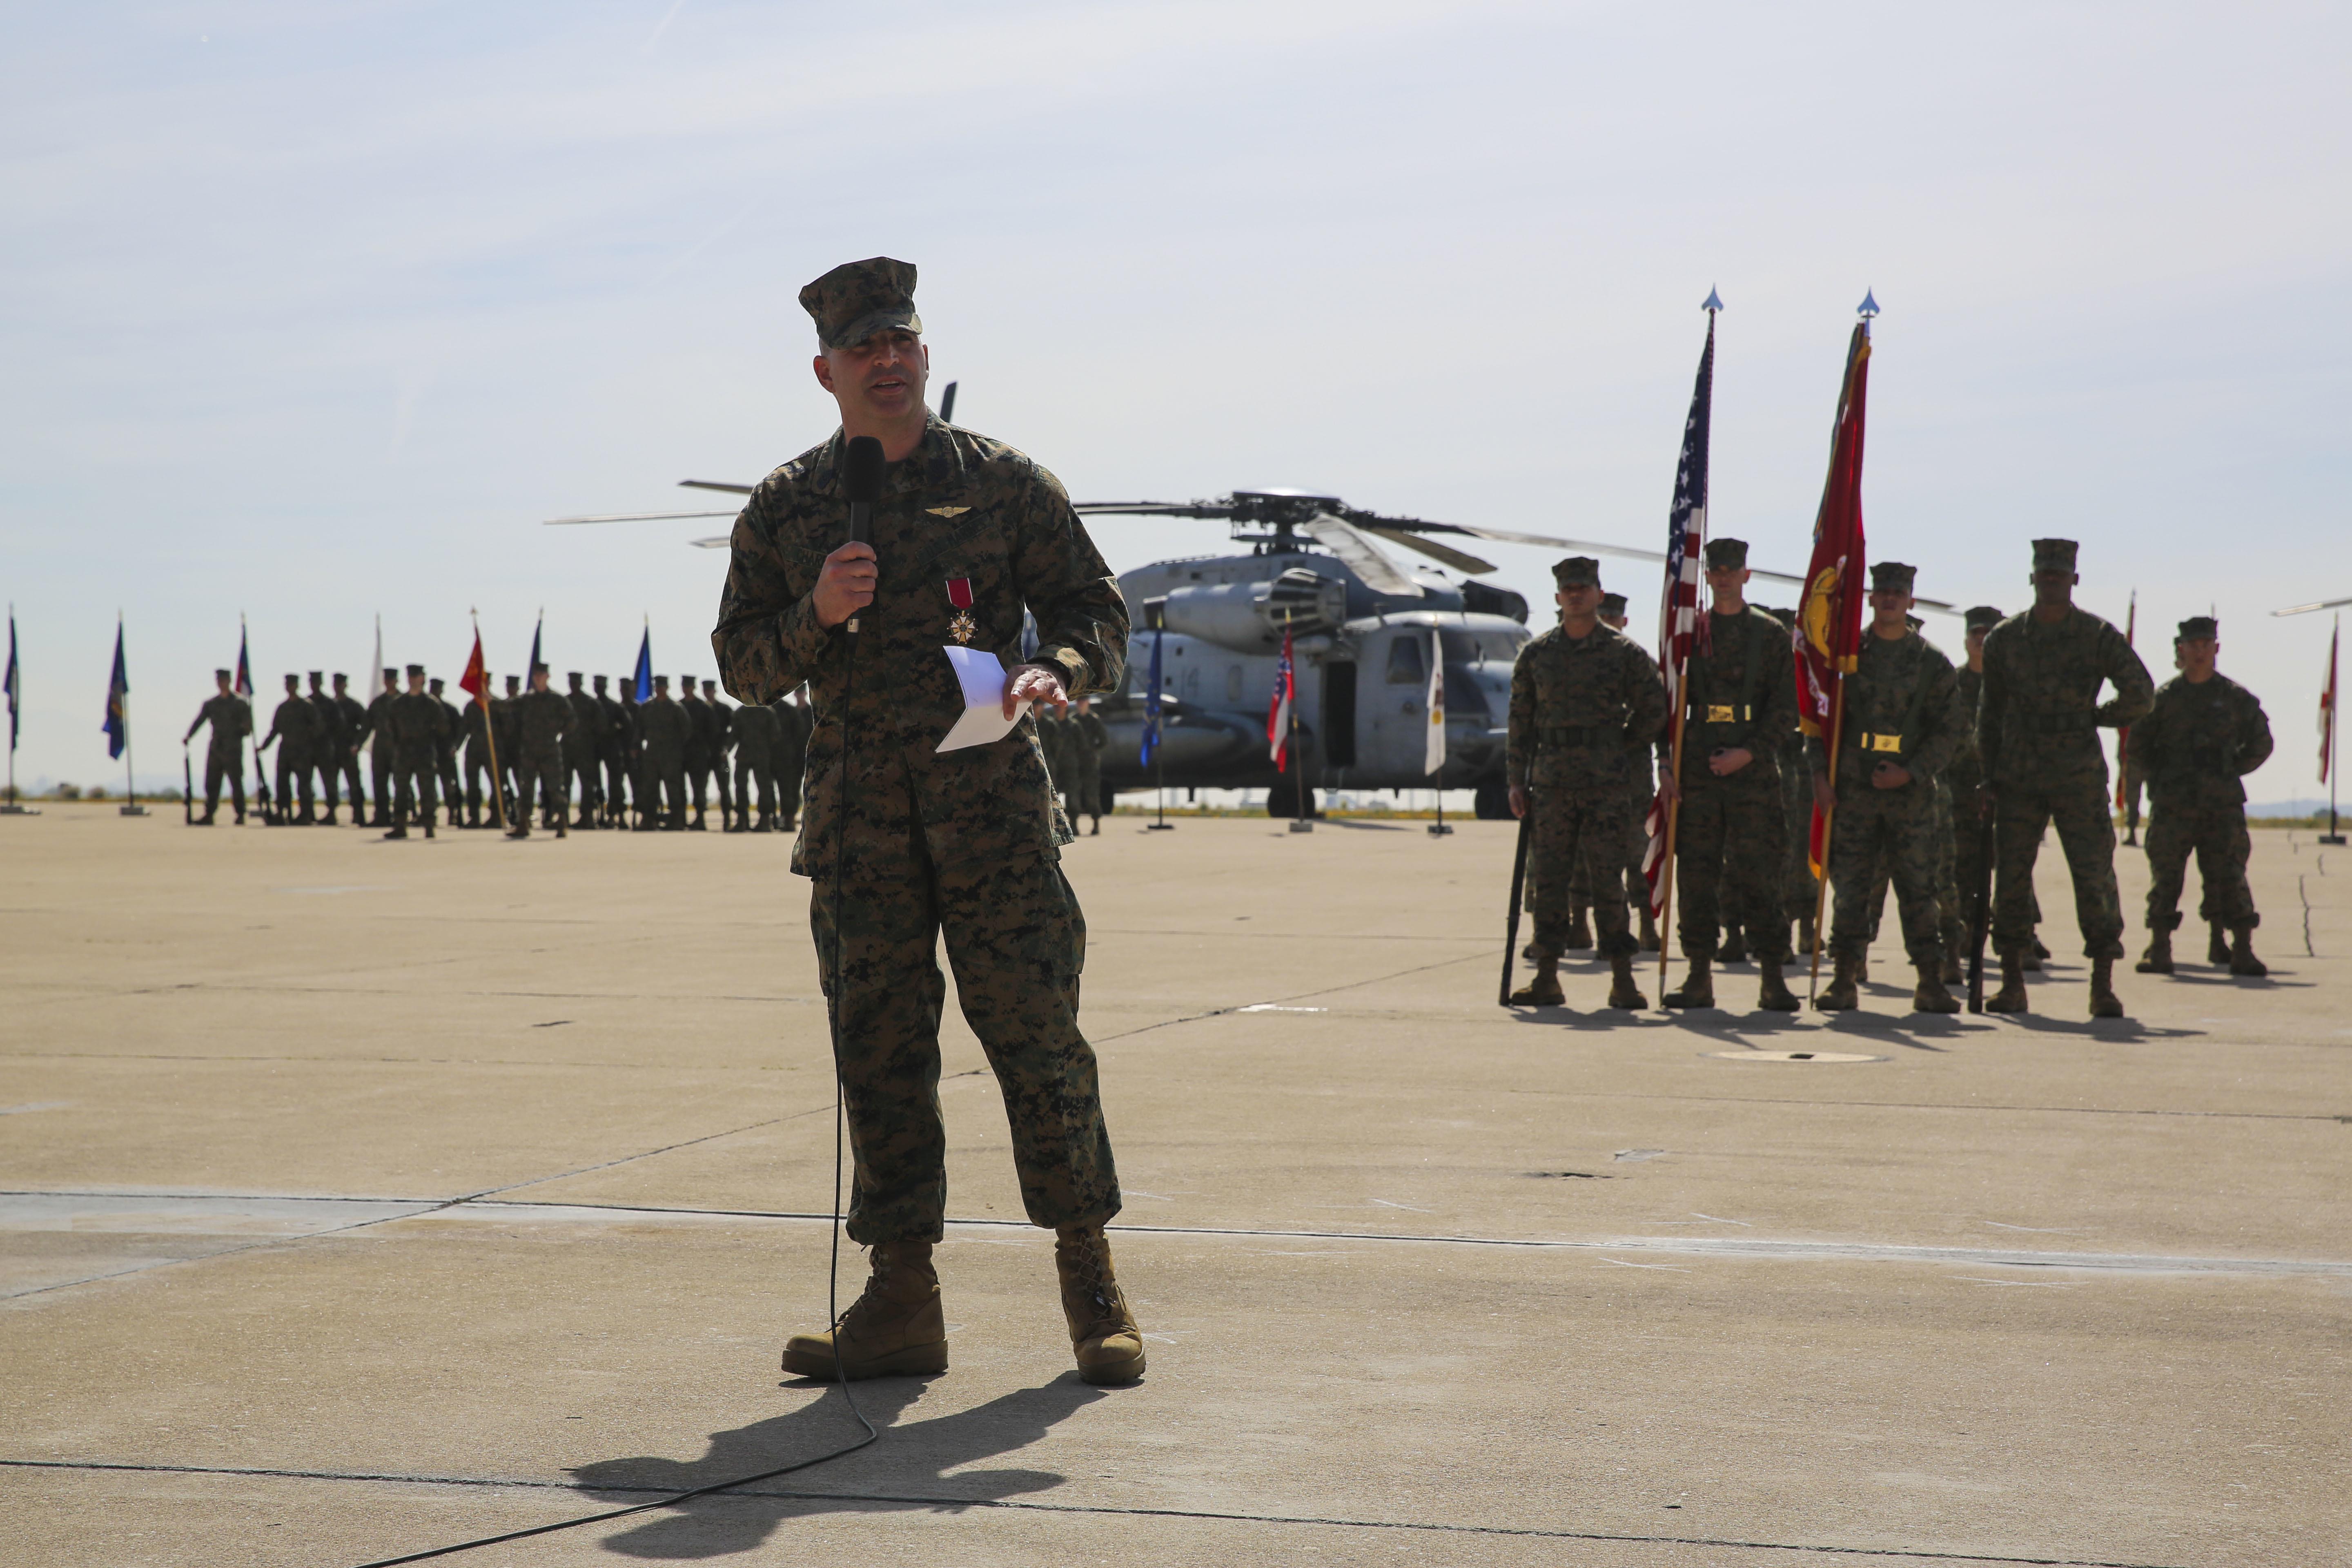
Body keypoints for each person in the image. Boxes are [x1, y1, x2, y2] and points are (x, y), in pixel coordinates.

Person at [713, 256, 1139, 1387]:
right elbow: (743, 667)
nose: (886, 361)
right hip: (860, 831)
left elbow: (1096, 611)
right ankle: (903, 1299)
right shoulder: (788, 505)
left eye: (901, 340)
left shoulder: (1004, 483)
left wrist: (1056, 668)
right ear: (826, 372)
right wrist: (815, 612)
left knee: (1040, 1044)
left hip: (993, 819)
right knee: (880, 1059)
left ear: (925, 352)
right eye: (862, 348)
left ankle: (1091, 1281)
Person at [1977, 539, 2154, 1017]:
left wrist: (2098, 716)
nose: (2052, 579)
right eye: (2045, 573)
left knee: (2094, 874)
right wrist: (1986, 777)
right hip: (2018, 774)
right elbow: (1988, 715)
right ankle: (2012, 981)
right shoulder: (2005, 639)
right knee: (2011, 879)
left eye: (2060, 573)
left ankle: (2102, 984)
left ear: (2074, 580)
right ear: (2032, 578)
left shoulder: (2097, 635)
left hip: (2077, 774)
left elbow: (2141, 694)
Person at [1505, 557, 1668, 1009]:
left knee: (1608, 882)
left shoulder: (1623, 653)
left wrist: (1621, 746)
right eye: (1569, 589)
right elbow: (1519, 721)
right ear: (1558, 598)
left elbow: (1654, 708)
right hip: (1551, 785)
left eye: (1584, 587)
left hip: (1605, 786)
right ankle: (1547, 977)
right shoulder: (1537, 654)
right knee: (1551, 881)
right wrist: (1515, 780)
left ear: (1599, 594)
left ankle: (1623, 980)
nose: (1576, 594)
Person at [1811, 564, 1966, 1013]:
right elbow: (1819, 721)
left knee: (1918, 889)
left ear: (1911, 601)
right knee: (1852, 890)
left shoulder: (1932, 663)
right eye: (1883, 592)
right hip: (1854, 792)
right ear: (1871, 599)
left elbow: (1952, 732)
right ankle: (1843, 979)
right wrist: (1819, 776)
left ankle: (1930, 982)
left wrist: (1912, 772)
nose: (1891, 599)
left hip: (1910, 797)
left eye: (1899, 593)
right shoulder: (1845, 659)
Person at [1658, 538, 1801, 1011]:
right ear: (1707, 576)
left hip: (1753, 774)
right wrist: (1666, 763)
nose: (1723, 577)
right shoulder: (1688, 632)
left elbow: (1786, 709)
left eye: (1731, 570)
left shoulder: (1770, 635)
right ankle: (1699, 975)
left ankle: (1773, 978)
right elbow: (1668, 705)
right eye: (1716, 570)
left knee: (1761, 875)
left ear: (1746, 575)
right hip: (1697, 772)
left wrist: (1750, 753)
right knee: (1697, 876)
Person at [2131, 617, 2273, 977]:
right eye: (2193, 645)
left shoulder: (2235, 698)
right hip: (2173, 806)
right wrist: (2160, 779)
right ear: (2181, 649)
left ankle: (2243, 949)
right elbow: (2138, 746)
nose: (2199, 652)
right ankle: (2160, 947)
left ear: (2216, 648)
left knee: (2231, 875)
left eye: (2206, 645)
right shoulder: (2163, 700)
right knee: (2166, 877)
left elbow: (2261, 742)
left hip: (2221, 806)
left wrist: (2230, 770)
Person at [1598, 590, 1661, 951]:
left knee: (1639, 853)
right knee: (1591, 857)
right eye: (1603, 617)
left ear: (1624, 622)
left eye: (1613, 618)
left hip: (1633, 775)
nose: (1608, 623)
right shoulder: (1580, 659)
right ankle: (1588, 924)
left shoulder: (1640, 661)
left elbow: (1657, 712)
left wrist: (1625, 740)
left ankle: (1648, 926)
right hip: (1590, 774)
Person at [383, 664, 447, 840]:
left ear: (423, 679)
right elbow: (391, 727)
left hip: (424, 752)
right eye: (411, 677)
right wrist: (398, 745)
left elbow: (443, 728)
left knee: (427, 790)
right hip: (404, 752)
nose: (413, 680)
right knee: (401, 791)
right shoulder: (398, 704)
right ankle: (400, 826)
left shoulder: (431, 704)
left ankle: (429, 826)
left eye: (416, 677)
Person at [508, 663, 571, 840]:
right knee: (526, 788)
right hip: (529, 751)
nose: (538, 678)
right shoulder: (527, 699)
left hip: (550, 750)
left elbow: (572, 721)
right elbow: (508, 705)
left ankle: (562, 822)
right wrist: (490, 701)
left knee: (555, 788)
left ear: (547, 677)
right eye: (536, 676)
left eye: (541, 675)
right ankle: (523, 824)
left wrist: (558, 733)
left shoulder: (557, 700)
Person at [183, 669, 252, 824]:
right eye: (219, 680)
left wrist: (243, 729)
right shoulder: (211, 704)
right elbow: (200, 720)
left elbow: (248, 727)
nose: (221, 683)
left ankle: (241, 814)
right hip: (216, 749)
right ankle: (209, 814)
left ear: (229, 681)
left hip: (233, 749)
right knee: (212, 783)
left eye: (223, 680)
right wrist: (189, 736)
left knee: (236, 783)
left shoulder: (240, 703)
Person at [259, 673, 321, 825]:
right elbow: (275, 730)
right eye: (287, 684)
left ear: (297, 686)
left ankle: (305, 815)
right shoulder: (283, 708)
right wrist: (264, 747)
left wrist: (308, 744)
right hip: (285, 751)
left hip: (302, 752)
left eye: (292, 684)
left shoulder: (307, 706)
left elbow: (318, 728)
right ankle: (282, 813)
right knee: (282, 784)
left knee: (304, 785)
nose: (289, 687)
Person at [637, 675, 690, 829]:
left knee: (673, 789)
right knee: (649, 788)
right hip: (652, 754)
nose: (659, 690)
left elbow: (686, 730)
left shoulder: (676, 708)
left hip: (671, 756)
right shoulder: (647, 707)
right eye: (657, 687)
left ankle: (676, 821)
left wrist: (676, 747)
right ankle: (648, 820)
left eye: (662, 687)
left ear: (667, 688)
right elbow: (639, 730)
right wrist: (636, 746)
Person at [729, 693, 780, 831]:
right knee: (741, 786)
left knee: (764, 788)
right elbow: (734, 734)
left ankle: (765, 820)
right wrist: (726, 750)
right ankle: (742, 820)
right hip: (744, 755)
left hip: (761, 755)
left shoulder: (768, 712)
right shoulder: (740, 712)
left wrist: (764, 747)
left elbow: (775, 735)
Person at [304, 673, 347, 825]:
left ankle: (332, 813)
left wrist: (329, 739)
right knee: (306, 782)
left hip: (325, 748)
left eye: (316, 682)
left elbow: (340, 725)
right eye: (312, 682)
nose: (314, 685)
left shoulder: (330, 704)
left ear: (321, 683)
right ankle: (307, 812)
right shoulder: (305, 703)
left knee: (329, 782)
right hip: (308, 749)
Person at [566, 673, 604, 830]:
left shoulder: (591, 703)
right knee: (564, 783)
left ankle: (587, 817)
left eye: (575, 682)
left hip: (585, 750)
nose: (573, 685)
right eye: (571, 682)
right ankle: (563, 816)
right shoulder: (565, 701)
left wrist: (595, 745)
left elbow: (601, 726)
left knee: (587, 785)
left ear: (581, 684)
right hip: (567, 749)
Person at [459, 679, 499, 828]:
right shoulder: (471, 706)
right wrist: (456, 746)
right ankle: (474, 817)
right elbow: (464, 728)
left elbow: (507, 728)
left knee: (496, 784)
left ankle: (497, 816)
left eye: (485, 683)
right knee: (472, 784)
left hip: (493, 749)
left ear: (490, 684)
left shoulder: (497, 704)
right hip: (474, 750)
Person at [330, 673, 369, 827]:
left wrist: (358, 744)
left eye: (340, 684)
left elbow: (366, 726)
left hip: (348, 750)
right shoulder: (330, 705)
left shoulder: (354, 705)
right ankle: (331, 813)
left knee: (355, 784)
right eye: (336, 684)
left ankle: (359, 814)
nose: (337, 687)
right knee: (331, 783)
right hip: (333, 750)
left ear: (345, 685)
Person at [1067, 697, 1107, 835]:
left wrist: (1092, 751)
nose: (1081, 704)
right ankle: (1073, 825)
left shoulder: (1094, 720)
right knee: (1073, 794)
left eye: (1083, 701)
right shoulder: (1072, 720)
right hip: (1075, 762)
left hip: (1090, 763)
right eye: (1079, 701)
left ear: (1088, 703)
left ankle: (1096, 823)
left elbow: (1104, 740)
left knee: (1092, 794)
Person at [365, 668, 399, 826]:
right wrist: (358, 743)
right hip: (380, 749)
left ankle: (401, 816)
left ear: (397, 681)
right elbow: (367, 726)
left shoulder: (403, 701)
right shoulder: (378, 703)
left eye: (391, 679)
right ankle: (381, 816)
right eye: (387, 680)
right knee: (379, 783)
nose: (389, 682)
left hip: (398, 748)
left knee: (401, 784)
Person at [703, 680, 737, 831]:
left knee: (724, 788)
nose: (708, 693)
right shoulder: (701, 708)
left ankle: (727, 819)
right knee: (700, 787)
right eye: (706, 691)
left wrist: (727, 749)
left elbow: (734, 731)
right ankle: (700, 818)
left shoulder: (725, 709)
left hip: (720, 754)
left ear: (714, 691)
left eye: (710, 690)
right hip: (703, 754)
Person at [775, 687, 811, 829]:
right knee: (792, 787)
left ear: (806, 694)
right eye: (797, 693)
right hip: (793, 757)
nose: (799, 695)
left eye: (801, 693)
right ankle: (789, 817)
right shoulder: (791, 711)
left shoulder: (811, 712)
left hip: (809, 755)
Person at [429, 677, 463, 828]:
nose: (435, 692)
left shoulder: (450, 710)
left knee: (449, 786)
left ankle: (452, 813)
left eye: (437, 689)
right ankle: (429, 814)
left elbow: (460, 730)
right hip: (428, 752)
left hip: (445, 753)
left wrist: (455, 747)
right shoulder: (425, 708)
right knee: (428, 786)